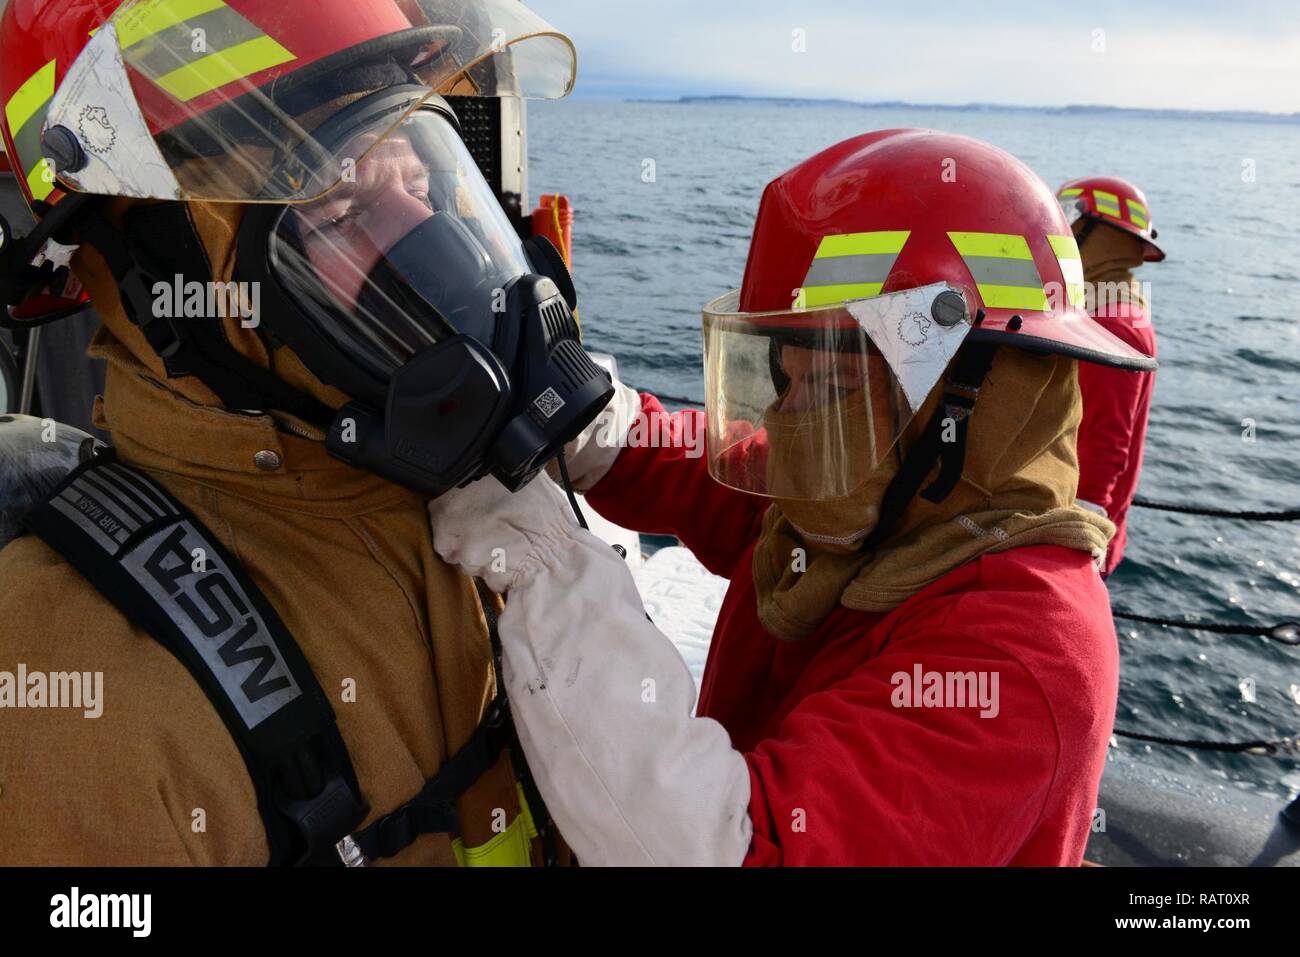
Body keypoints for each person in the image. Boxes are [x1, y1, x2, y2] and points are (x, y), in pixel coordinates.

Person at [428, 129, 1159, 866]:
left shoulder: (1025, 653)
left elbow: (741, 851)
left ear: (973, 402)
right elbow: (704, 471)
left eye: (832, 385)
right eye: (787, 379)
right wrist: (587, 421)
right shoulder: (872, 494)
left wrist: (547, 564)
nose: (787, 421)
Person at [0, 0, 597, 866]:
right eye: (343, 203)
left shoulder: (444, 492)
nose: (433, 248)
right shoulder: (79, 705)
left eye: (423, 176)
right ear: (151, 277)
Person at [1058, 176, 1163, 576]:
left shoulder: (1114, 322)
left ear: (1094, 231)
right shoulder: (1107, 299)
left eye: (1067, 220)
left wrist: (1081, 540)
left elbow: (1105, 439)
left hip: (1073, 533)